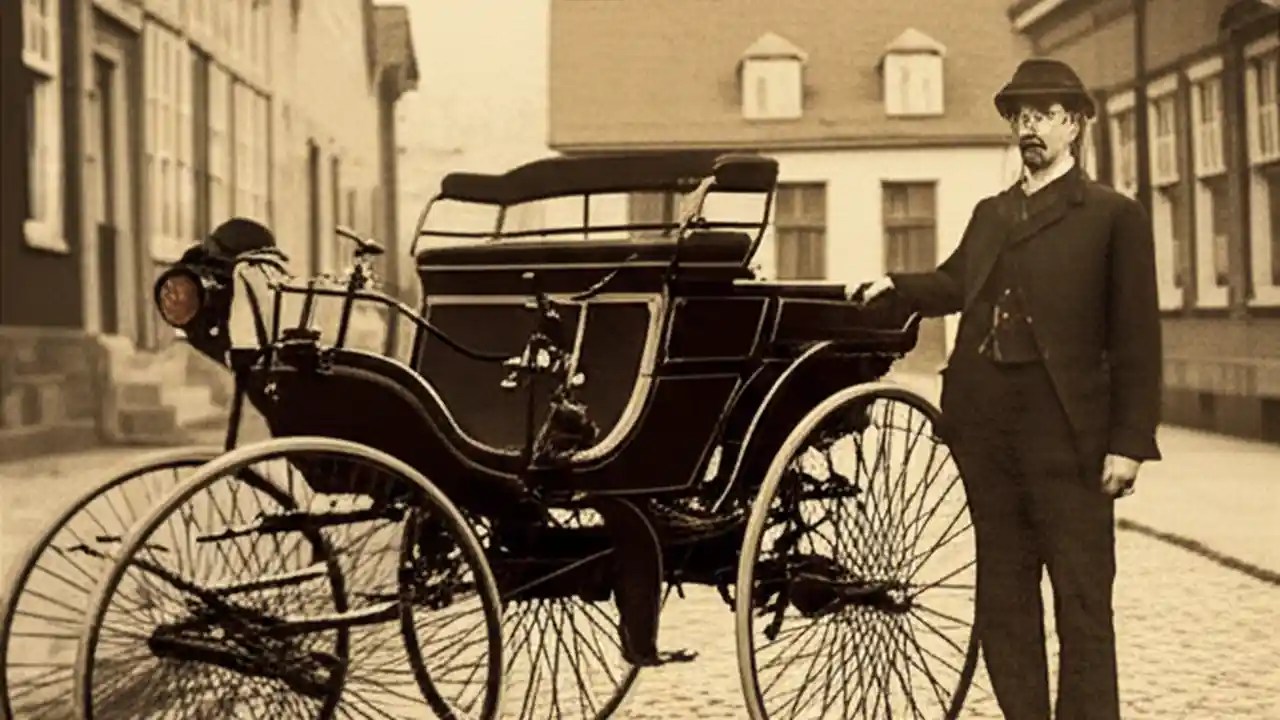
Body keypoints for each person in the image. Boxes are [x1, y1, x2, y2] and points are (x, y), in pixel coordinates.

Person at [852, 58, 1162, 720]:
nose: (1031, 127)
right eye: (1021, 116)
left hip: (1069, 435)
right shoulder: (991, 214)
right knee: (1004, 596)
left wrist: (1129, 442)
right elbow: (953, 284)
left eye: (1046, 115)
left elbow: (1137, 338)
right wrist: (896, 286)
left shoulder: (1113, 216)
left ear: (1075, 125)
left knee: (1082, 602)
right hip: (987, 429)